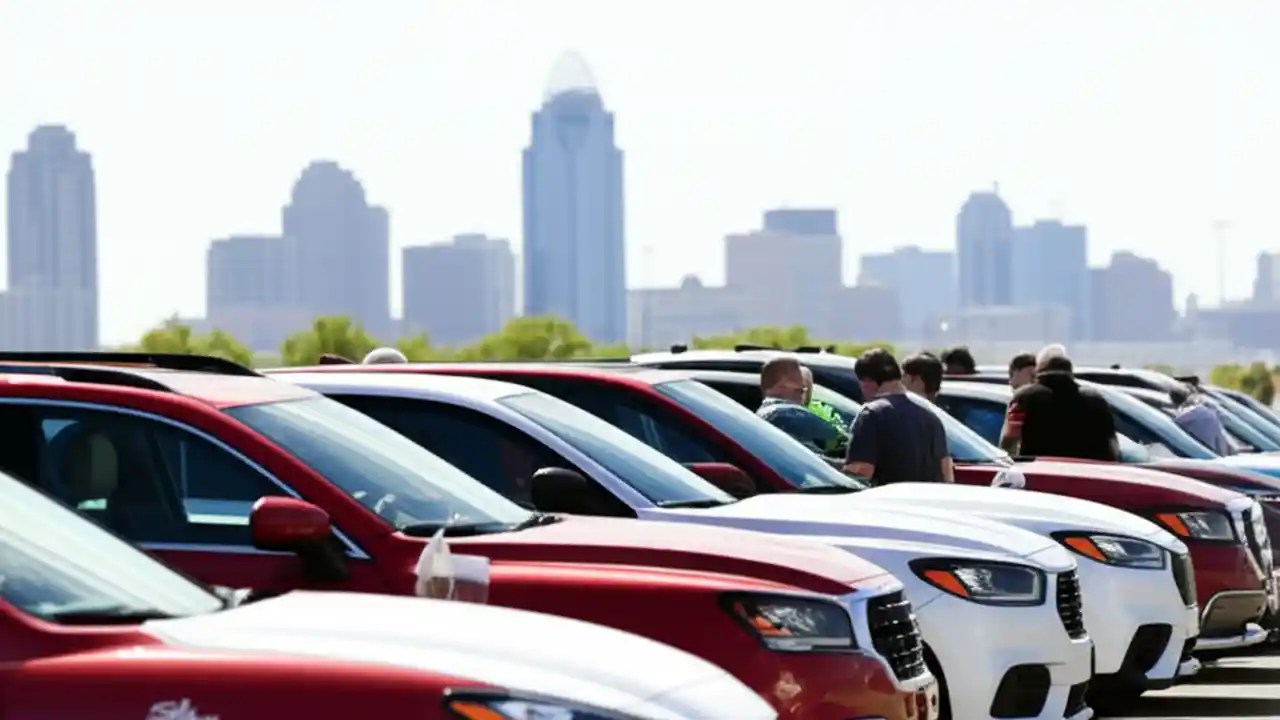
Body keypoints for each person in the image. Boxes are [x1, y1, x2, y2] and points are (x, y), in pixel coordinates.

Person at [843, 348, 953, 484]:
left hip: (883, 501)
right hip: (925, 502)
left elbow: (861, 471)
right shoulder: (931, 418)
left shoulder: (871, 415)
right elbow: (947, 473)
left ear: (867, 382)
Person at [999, 344, 1119, 461]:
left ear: (1039, 371)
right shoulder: (1097, 401)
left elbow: (1010, 440)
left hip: (1040, 474)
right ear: (1071, 371)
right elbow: (1113, 448)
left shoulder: (1023, 398)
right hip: (1089, 475)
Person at [757, 357, 845, 455]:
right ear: (778, 388)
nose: (803, 397)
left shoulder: (764, 417)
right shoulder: (785, 414)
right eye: (799, 391)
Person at [799, 366, 853, 450]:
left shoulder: (820, 412)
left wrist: (819, 445)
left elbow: (841, 444)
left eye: (802, 389)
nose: (797, 393)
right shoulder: (779, 414)